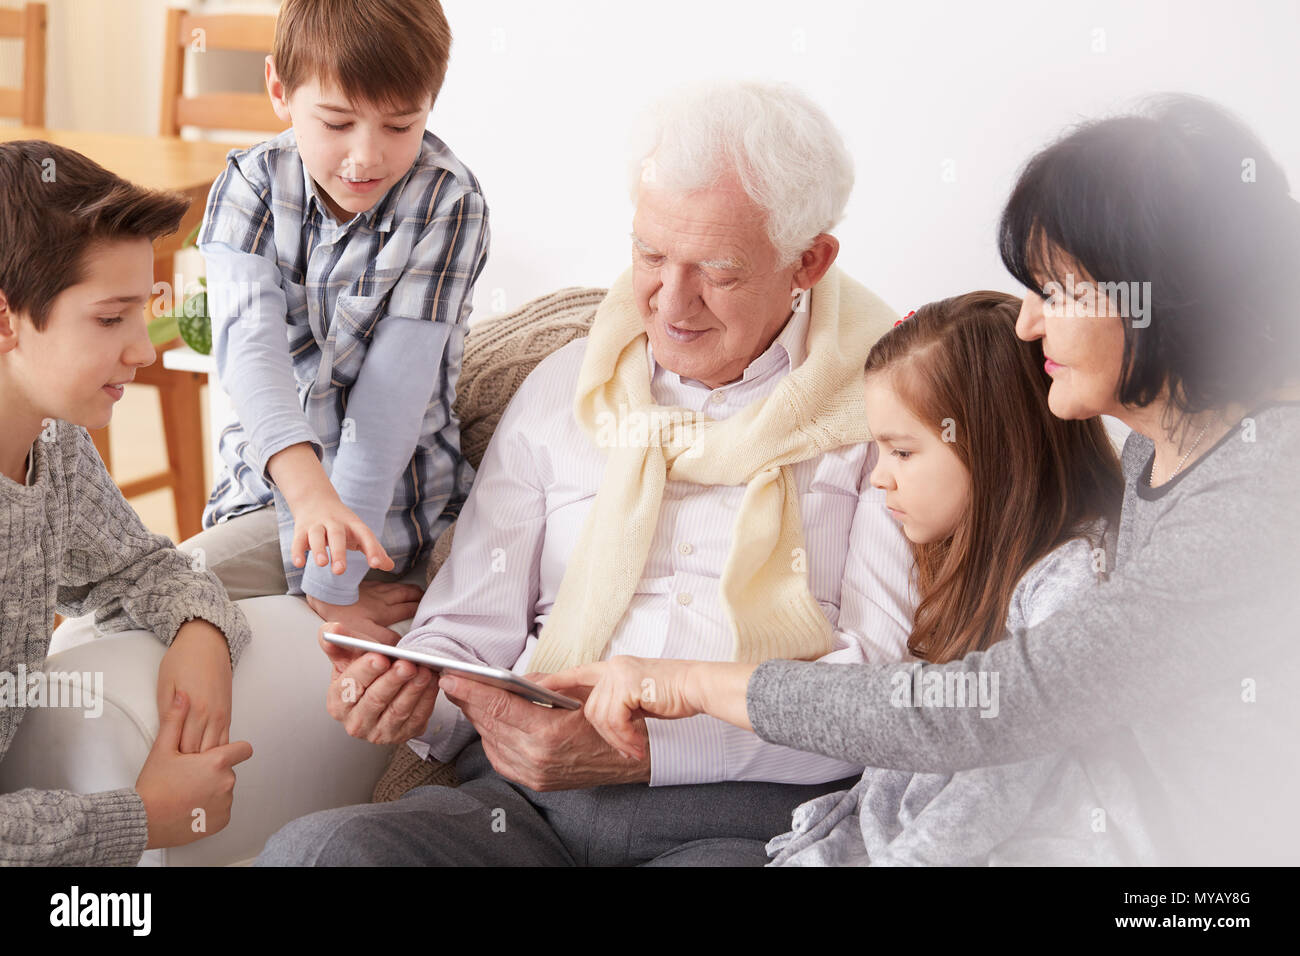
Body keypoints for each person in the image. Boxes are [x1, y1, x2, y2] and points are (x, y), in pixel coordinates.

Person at [547, 93, 1300, 866]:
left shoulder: (1261, 495)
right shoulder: (1167, 448)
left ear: (1163, 297)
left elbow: (991, 708)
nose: (1029, 323)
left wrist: (698, 684)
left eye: (1058, 292)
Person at [257, 81, 916, 867]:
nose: (672, 302)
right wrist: (411, 692)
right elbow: (469, 627)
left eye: (719, 271)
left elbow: (880, 690)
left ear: (809, 260)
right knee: (325, 852)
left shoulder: (886, 414)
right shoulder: (567, 385)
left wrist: (651, 754)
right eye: (650, 255)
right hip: (521, 806)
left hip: (749, 824)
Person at [182, 0, 489, 635]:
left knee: (188, 596)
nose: (364, 158)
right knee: (157, 597)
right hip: (271, 495)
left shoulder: (448, 202)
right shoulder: (250, 187)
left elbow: (389, 407)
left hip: (392, 516)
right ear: (279, 90)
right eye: (336, 123)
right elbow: (252, 356)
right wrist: (309, 498)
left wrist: (333, 583)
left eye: (400, 127)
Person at [0, 141, 254, 865]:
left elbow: (143, 569)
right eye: (111, 320)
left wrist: (200, 629)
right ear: (6, 318)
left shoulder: (56, 448)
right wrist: (142, 819)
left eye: (141, 313)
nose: (143, 350)